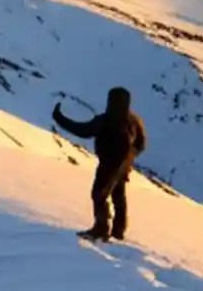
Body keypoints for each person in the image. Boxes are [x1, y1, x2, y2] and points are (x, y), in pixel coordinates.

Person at [52, 87, 147, 241]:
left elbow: (82, 130)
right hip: (125, 165)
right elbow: (141, 144)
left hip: (108, 163)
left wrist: (59, 118)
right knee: (118, 194)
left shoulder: (105, 120)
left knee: (99, 194)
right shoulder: (134, 120)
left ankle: (101, 228)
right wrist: (130, 156)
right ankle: (118, 230)